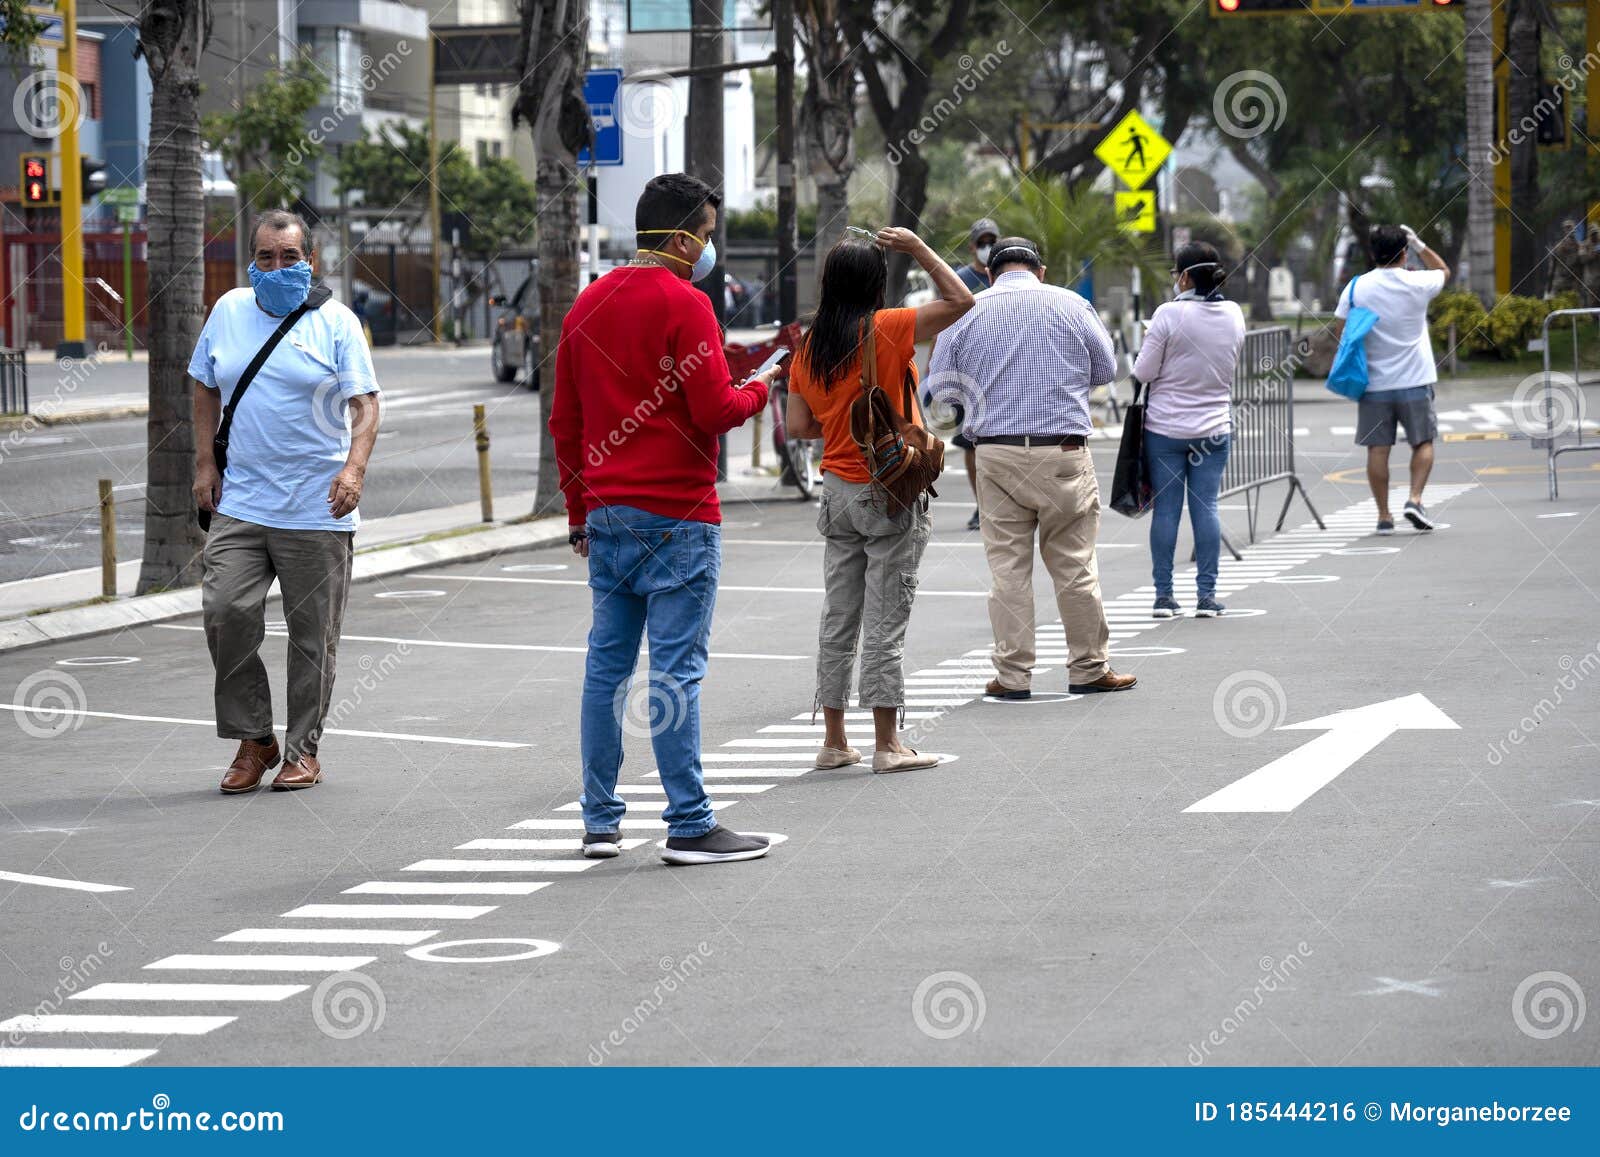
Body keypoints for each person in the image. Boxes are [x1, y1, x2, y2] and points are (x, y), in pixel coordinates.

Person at [551, 172, 783, 866]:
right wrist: (760, 387)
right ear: (682, 238)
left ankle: (600, 820)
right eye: (707, 236)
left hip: (609, 513)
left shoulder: (586, 304)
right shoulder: (687, 305)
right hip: (680, 516)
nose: (708, 249)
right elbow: (714, 411)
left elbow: (566, 422)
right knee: (676, 674)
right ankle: (689, 821)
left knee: (607, 669)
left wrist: (577, 513)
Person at [192, 209, 380, 794]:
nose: (277, 266)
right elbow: (202, 383)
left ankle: (302, 749)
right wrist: (203, 463)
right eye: (266, 257)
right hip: (242, 502)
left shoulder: (337, 323)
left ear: (310, 260)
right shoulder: (228, 311)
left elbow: (366, 403)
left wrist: (353, 470)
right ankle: (255, 738)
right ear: (251, 261)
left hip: (316, 509)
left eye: (289, 256)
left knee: (312, 636)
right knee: (225, 613)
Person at [785, 227, 973, 772]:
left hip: (836, 492)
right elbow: (963, 300)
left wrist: (845, 425)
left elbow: (799, 426)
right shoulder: (888, 329)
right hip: (887, 490)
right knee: (887, 618)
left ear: (828, 283)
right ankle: (888, 745)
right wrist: (916, 247)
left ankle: (834, 741)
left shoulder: (810, 345)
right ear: (876, 283)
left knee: (838, 617)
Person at [926, 236, 1136, 700]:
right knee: (1075, 566)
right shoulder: (1072, 305)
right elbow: (1108, 370)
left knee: (1008, 569)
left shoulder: (967, 310)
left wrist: (980, 399)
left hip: (994, 455)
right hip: (1062, 453)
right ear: (1039, 270)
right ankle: (1088, 667)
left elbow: (940, 388)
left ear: (989, 273)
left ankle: (1013, 674)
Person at [1133, 241, 1246, 619]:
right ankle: (1207, 596)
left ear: (1183, 276)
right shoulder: (1233, 314)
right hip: (1214, 427)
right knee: (1207, 508)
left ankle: (1164, 596)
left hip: (1166, 429)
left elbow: (1143, 372)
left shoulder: (1168, 315)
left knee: (1167, 511)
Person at [1335, 224, 1451, 534]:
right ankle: (1414, 498)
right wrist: (1420, 244)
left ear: (1372, 253)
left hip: (1373, 384)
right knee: (1423, 441)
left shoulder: (1356, 287)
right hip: (1415, 379)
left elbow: (1341, 332)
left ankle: (1384, 516)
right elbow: (1443, 270)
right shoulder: (1418, 282)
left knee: (1378, 449)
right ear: (1404, 253)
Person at [949, 217, 998, 529]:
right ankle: (981, 506)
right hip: (967, 372)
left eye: (991, 241)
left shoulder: (1003, 276)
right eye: (982, 242)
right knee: (970, 442)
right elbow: (945, 323)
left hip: (1000, 369)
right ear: (972, 246)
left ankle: (1000, 505)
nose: (987, 248)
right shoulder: (959, 279)